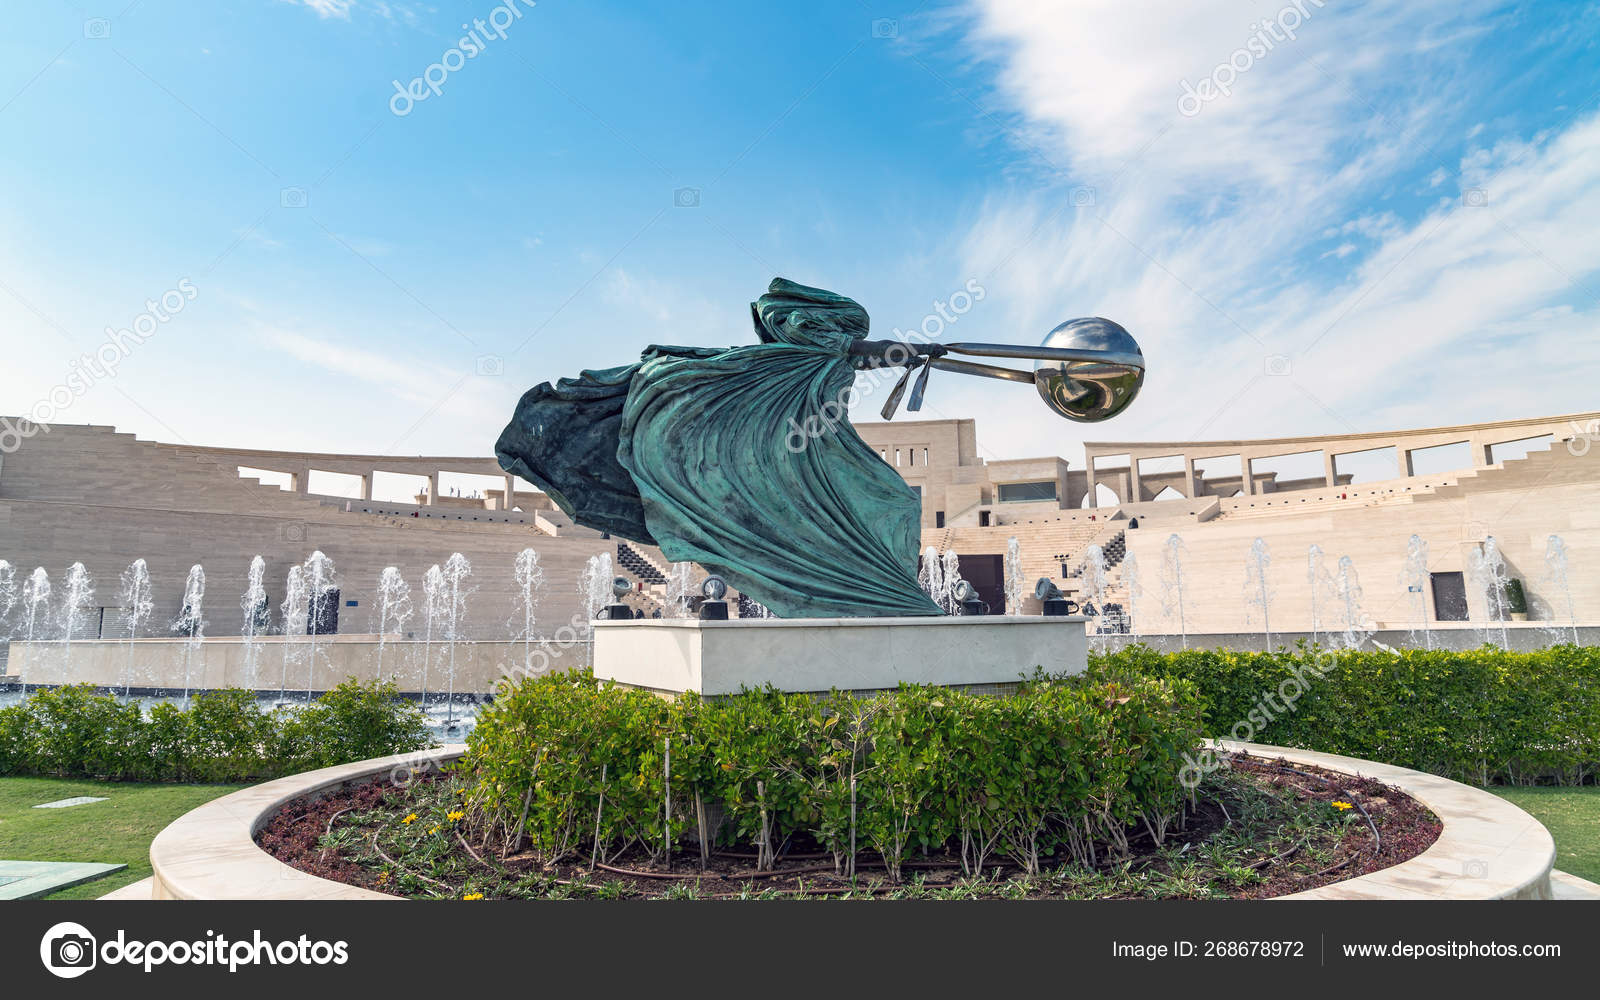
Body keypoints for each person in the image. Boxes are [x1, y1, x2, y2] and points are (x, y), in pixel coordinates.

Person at [496, 278, 945, 618]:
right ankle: (882, 594)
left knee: (895, 501)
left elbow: (863, 354)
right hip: (797, 453)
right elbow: (858, 348)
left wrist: (913, 352)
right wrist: (912, 348)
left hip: (818, 451)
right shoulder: (797, 353)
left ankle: (882, 594)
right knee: (895, 500)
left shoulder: (814, 355)